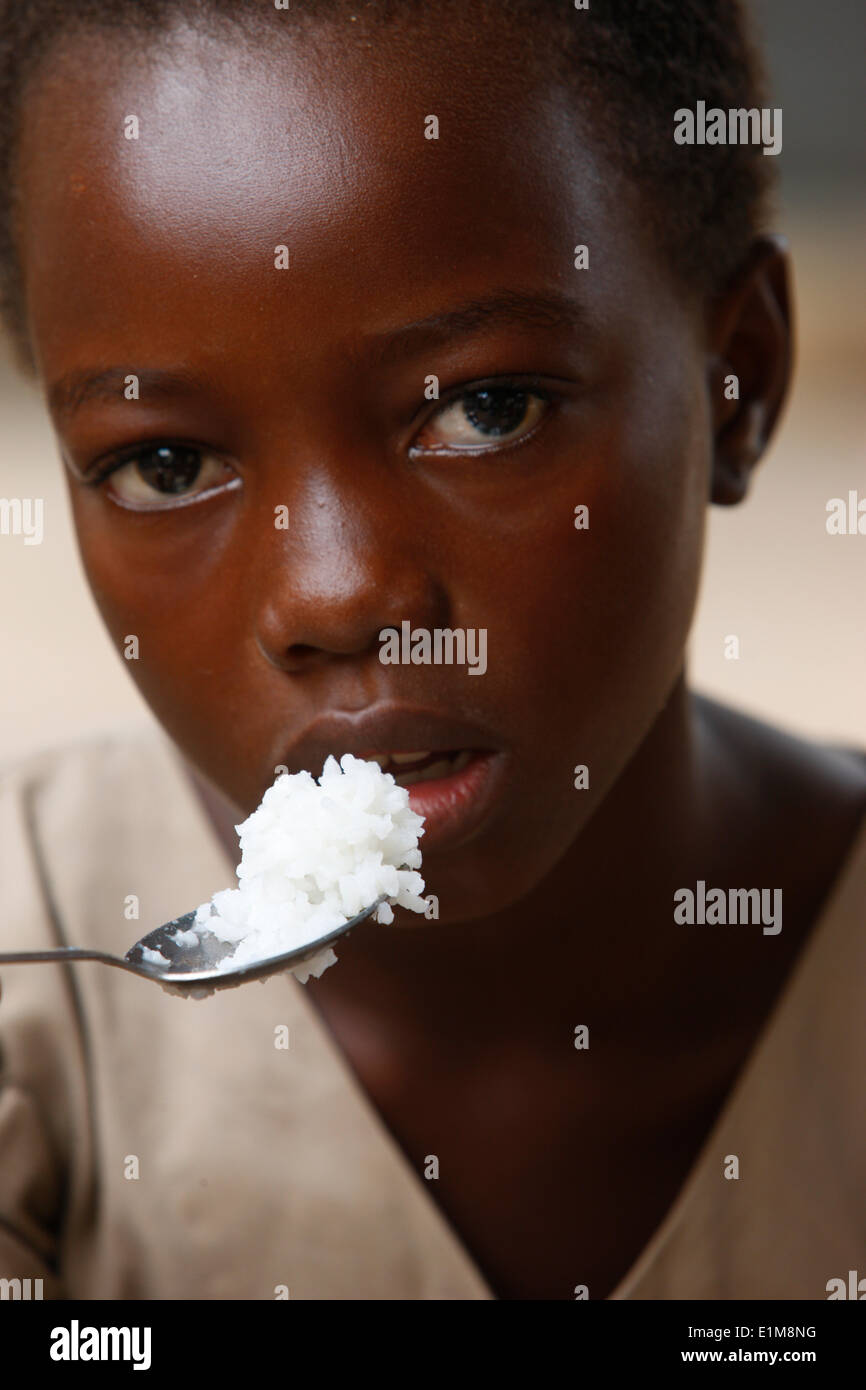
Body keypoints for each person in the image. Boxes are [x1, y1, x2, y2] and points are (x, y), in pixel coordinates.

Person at [0, 0, 863, 1301]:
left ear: (733, 379)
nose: (337, 593)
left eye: (483, 408)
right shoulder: (36, 991)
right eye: (163, 463)